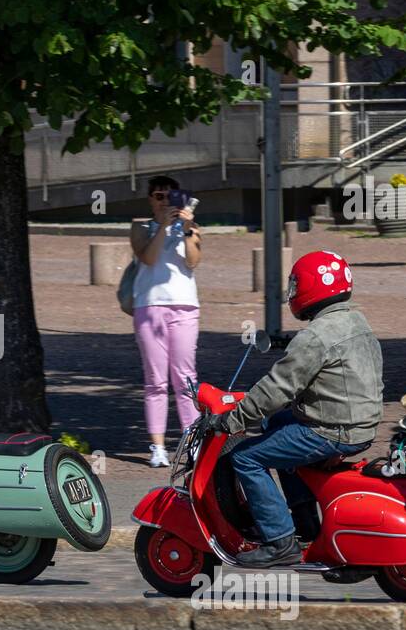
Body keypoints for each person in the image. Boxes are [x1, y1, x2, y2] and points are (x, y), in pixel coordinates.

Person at [208, 250, 382, 567]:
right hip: (359, 423)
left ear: (311, 288)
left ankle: (278, 541)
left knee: (245, 457)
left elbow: (278, 387)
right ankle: (305, 521)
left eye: (296, 285)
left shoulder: (316, 336)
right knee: (277, 423)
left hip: (332, 429)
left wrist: (233, 420)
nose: (293, 292)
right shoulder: (356, 320)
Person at [129, 175, 201, 467]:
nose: (164, 202)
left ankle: (193, 443)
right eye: (159, 196)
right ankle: (158, 447)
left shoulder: (191, 228)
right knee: (155, 381)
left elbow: (194, 261)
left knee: (186, 379)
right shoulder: (140, 227)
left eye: (171, 196)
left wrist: (185, 227)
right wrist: (163, 226)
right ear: (150, 199)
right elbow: (147, 258)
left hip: (185, 307)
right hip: (150, 307)